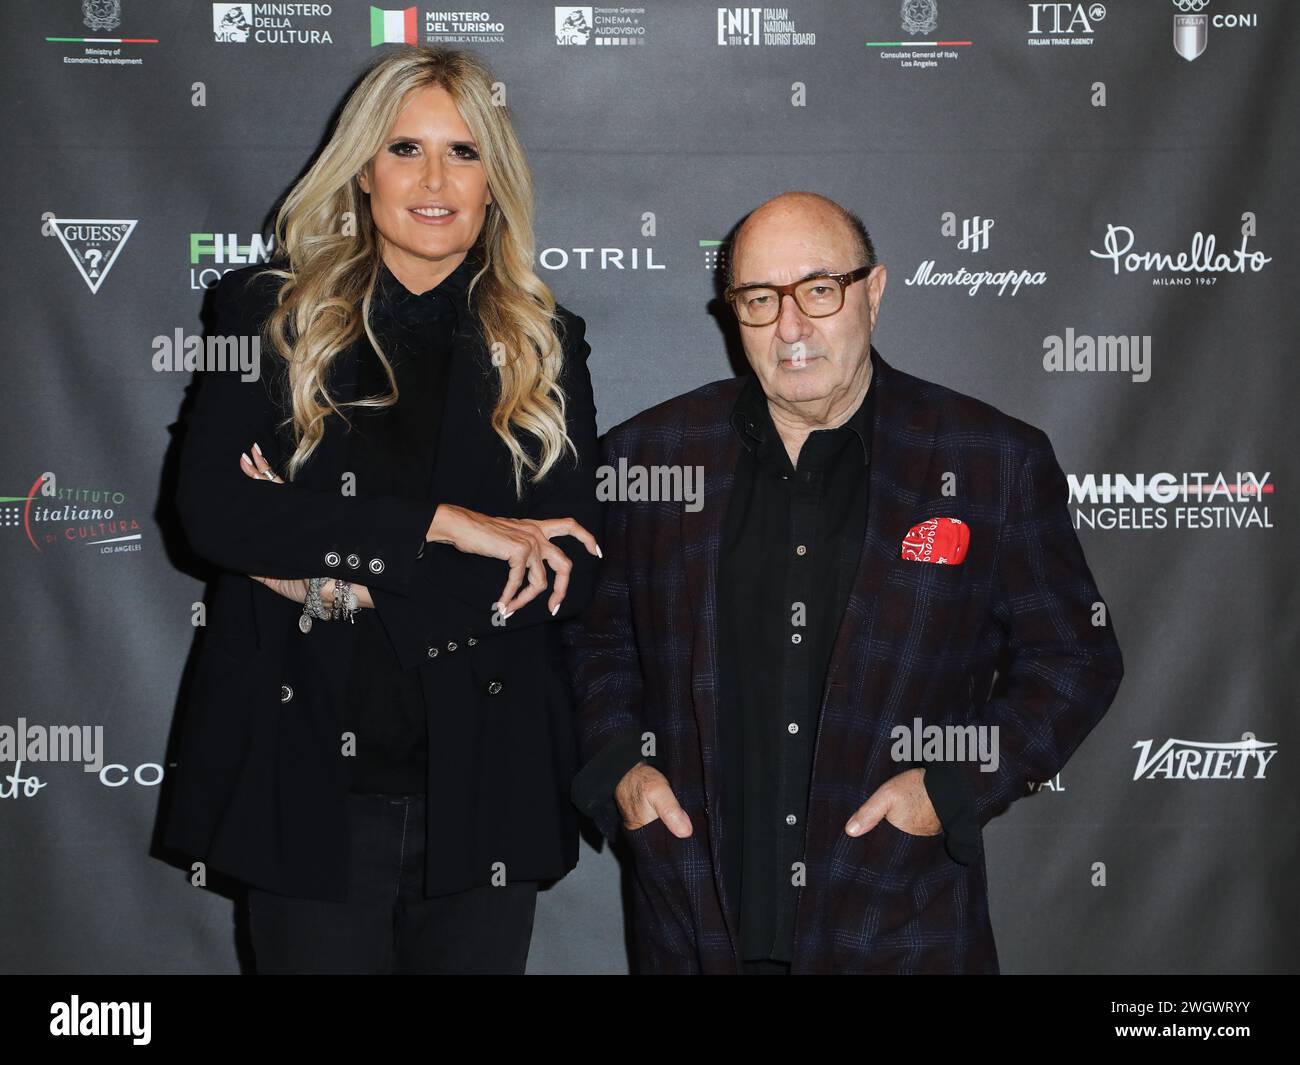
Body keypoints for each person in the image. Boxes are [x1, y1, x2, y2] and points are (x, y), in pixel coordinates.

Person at [564, 191, 1124, 974]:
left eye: (819, 289)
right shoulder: (647, 459)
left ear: (875, 291)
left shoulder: (992, 460)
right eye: (760, 299)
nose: (790, 327)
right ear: (733, 314)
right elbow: (595, 638)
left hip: (904, 925)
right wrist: (623, 764)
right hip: (693, 922)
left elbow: (1075, 657)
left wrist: (956, 783)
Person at [161, 46, 602, 974]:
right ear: (363, 169)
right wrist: (446, 524)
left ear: (495, 179)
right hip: (303, 781)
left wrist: (332, 582)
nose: (435, 179)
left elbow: (563, 563)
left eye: (464, 151)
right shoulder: (267, 315)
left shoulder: (546, 343)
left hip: (485, 788)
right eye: (406, 149)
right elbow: (214, 515)